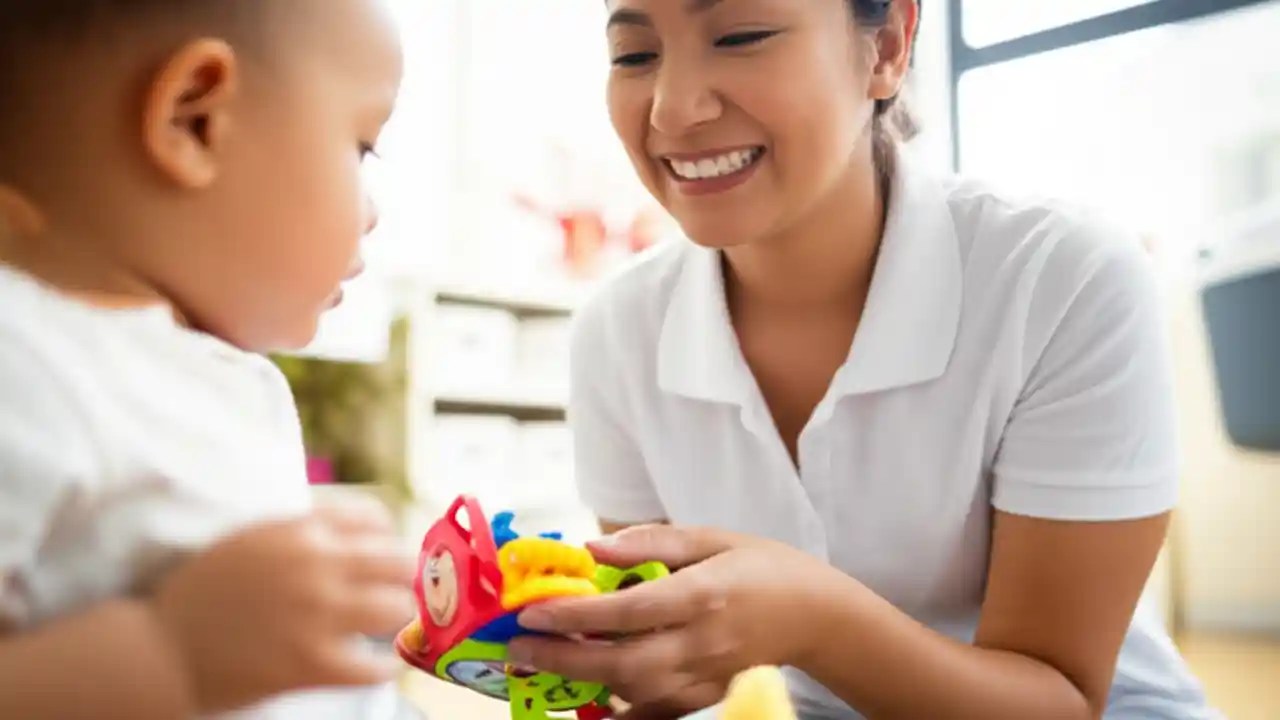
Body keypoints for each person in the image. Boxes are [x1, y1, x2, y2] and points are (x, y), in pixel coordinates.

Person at [505, 1, 1219, 718]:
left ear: (886, 45)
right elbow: (679, 670)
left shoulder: (1062, 278)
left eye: (741, 36)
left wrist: (812, 617)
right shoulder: (618, 332)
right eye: (635, 54)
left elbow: (1059, 701)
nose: (673, 109)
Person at [0, 1, 421, 718]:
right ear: (195, 120)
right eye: (360, 147)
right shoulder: (26, 360)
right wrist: (170, 652)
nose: (372, 211)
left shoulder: (215, 373)